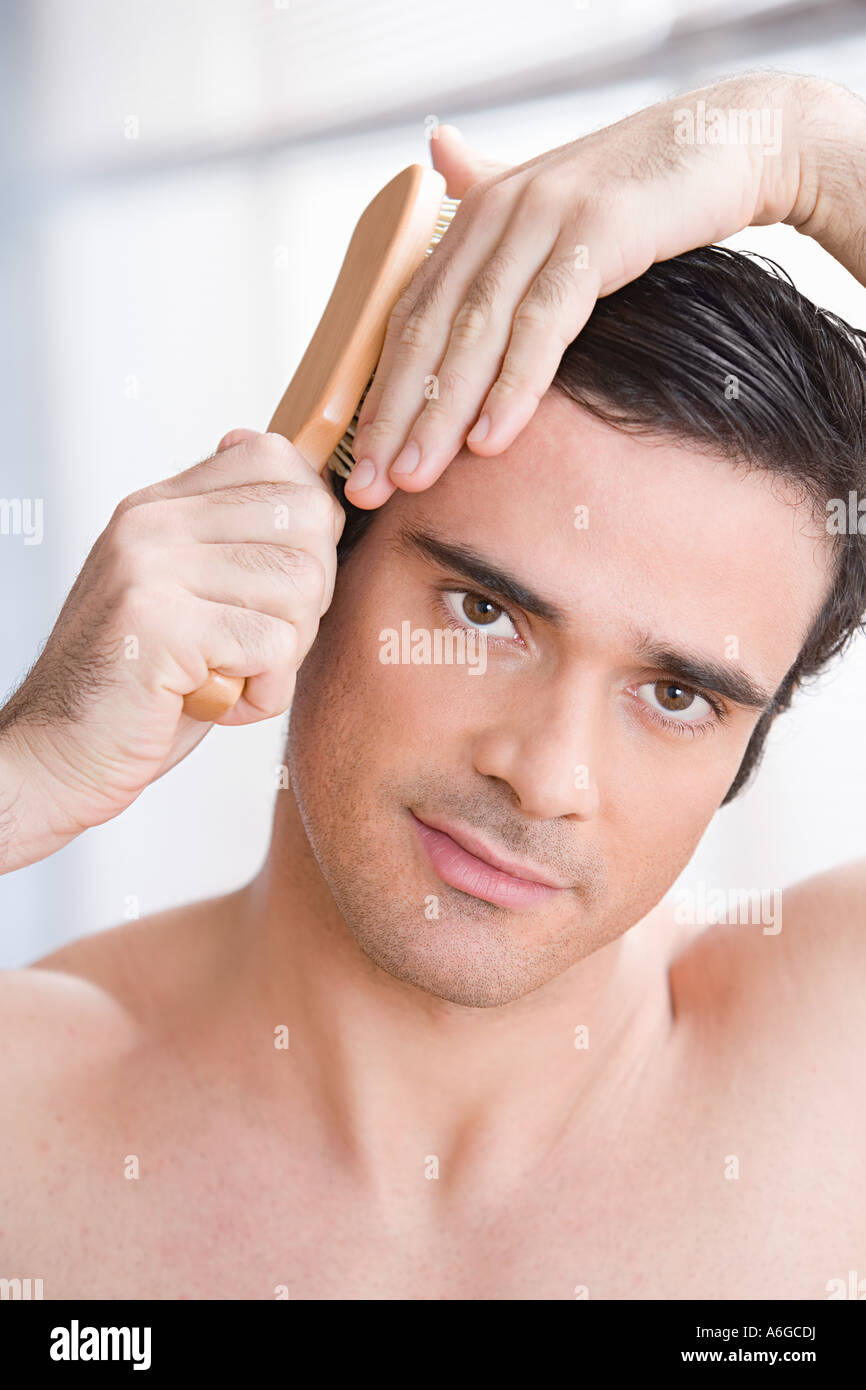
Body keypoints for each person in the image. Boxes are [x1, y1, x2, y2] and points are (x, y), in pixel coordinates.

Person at [1, 70, 865, 1300]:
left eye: (677, 694)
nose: (545, 773)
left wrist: (806, 152)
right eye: (484, 612)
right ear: (306, 561)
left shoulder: (834, 1062)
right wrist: (25, 777)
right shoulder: (27, 1114)